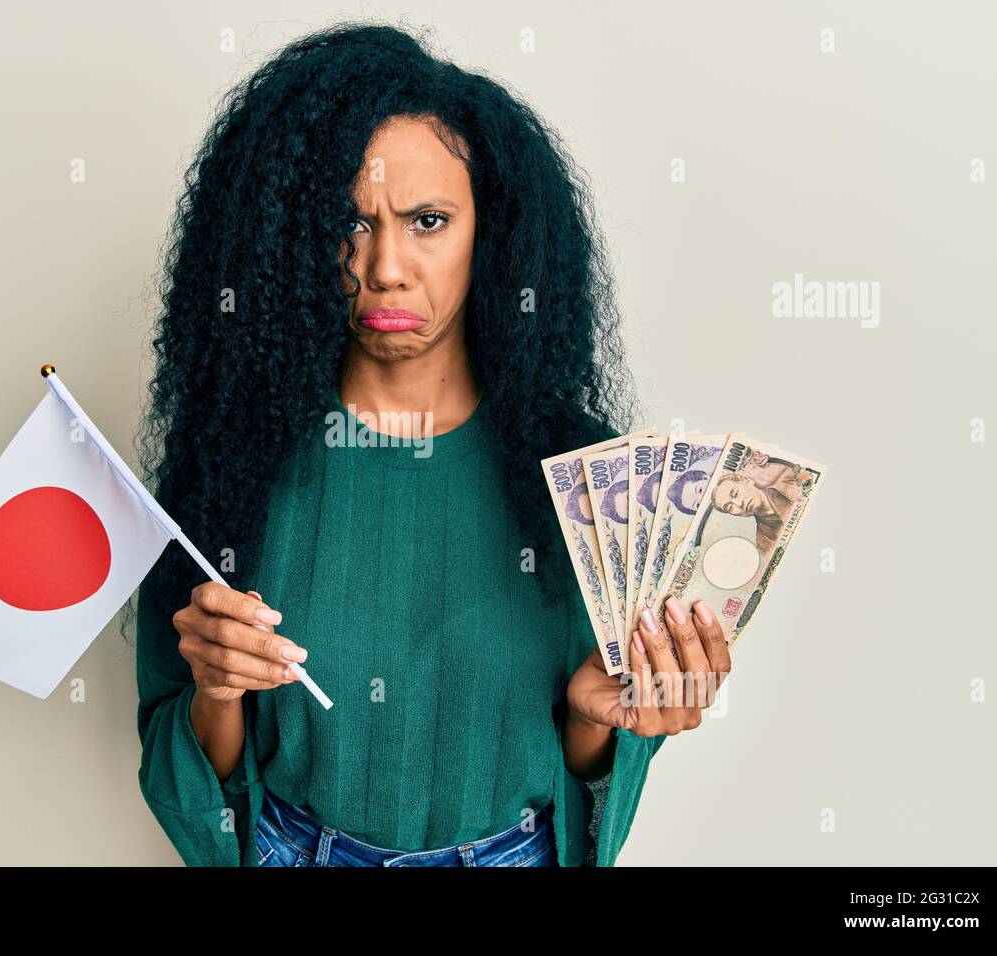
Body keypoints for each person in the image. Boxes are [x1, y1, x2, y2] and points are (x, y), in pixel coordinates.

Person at [133, 22, 731, 868]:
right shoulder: (231, 464)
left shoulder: (591, 478)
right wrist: (217, 691)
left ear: (492, 236)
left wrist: (597, 719)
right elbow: (189, 768)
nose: (385, 267)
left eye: (428, 220)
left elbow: (584, 777)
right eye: (350, 222)